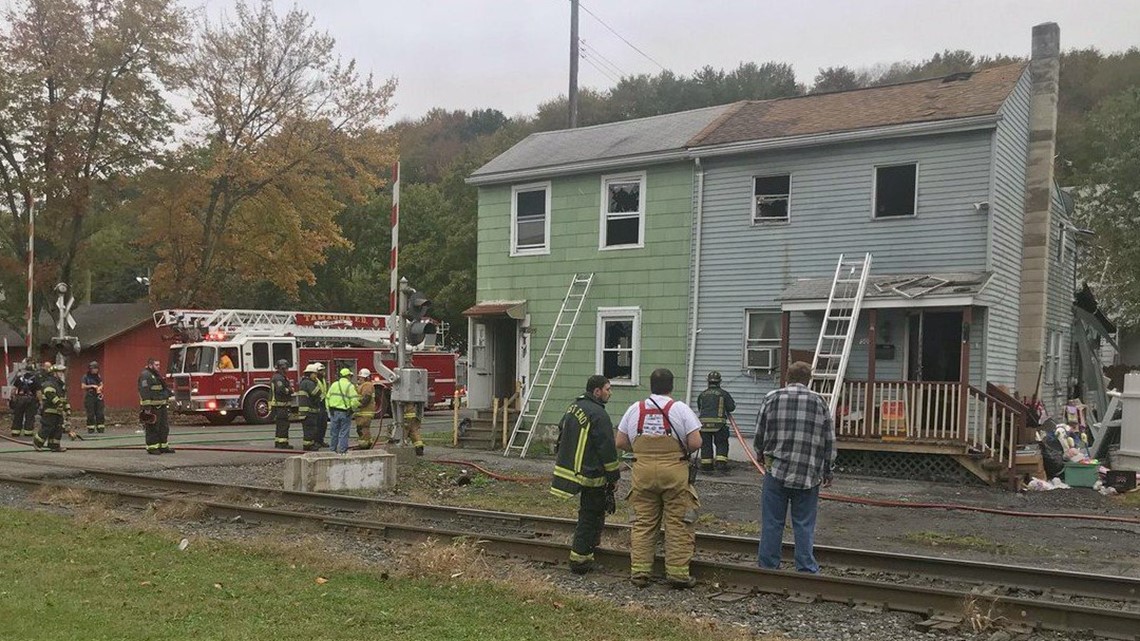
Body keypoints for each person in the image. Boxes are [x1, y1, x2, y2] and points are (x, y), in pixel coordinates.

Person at [615, 368, 703, 589]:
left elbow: (620, 441)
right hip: (674, 473)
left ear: (651, 386)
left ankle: (640, 573)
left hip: (643, 473)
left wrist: (642, 452)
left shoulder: (635, 409)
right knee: (678, 522)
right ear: (671, 386)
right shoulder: (680, 409)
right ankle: (678, 574)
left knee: (643, 523)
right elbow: (695, 442)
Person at [753, 361, 836, 574]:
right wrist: (828, 469)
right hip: (808, 473)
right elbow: (829, 439)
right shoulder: (819, 402)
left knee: (772, 522)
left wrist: (760, 455)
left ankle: (768, 567)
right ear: (808, 380)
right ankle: (806, 568)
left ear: (787, 377)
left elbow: (759, 432)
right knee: (804, 524)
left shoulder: (771, 398)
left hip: (776, 470)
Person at [550, 375, 620, 575]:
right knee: (591, 515)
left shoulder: (574, 407)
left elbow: (562, 430)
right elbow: (607, 448)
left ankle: (588, 550)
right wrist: (613, 476)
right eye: (607, 389)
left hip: (574, 470)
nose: (610, 393)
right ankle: (580, 560)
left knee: (588, 513)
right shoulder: (599, 414)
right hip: (592, 475)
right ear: (597, 391)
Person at [697, 371, 736, 475]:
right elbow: (731, 407)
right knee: (721, 444)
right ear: (720, 381)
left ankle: (706, 466)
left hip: (703, 425)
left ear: (708, 381)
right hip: (719, 425)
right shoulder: (724, 394)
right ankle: (720, 465)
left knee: (706, 445)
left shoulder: (702, 395)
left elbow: (700, 408)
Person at [138, 357, 174, 455]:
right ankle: (152, 447)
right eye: (156, 365)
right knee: (153, 427)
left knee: (164, 427)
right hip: (152, 407)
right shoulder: (146, 375)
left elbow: (161, 389)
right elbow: (144, 392)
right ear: (150, 365)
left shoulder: (156, 375)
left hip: (161, 406)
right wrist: (147, 408)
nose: (158, 367)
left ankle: (163, 446)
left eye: (159, 365)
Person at [33, 364, 70, 452]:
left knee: (58, 428)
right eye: (59, 372)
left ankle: (54, 445)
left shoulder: (60, 385)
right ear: (54, 373)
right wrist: (58, 403)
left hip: (58, 412)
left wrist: (67, 409)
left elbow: (64, 399)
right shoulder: (49, 383)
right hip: (49, 410)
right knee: (47, 428)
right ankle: (37, 443)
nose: (61, 374)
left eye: (62, 372)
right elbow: (49, 393)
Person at [325, 367, 359, 454]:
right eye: (350, 376)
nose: (351, 377)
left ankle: (332, 450)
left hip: (333, 412)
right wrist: (352, 409)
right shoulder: (350, 386)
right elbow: (355, 400)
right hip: (345, 412)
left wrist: (329, 409)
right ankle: (342, 451)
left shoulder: (334, 385)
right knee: (344, 432)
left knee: (334, 432)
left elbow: (327, 398)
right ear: (347, 376)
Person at [9, 359, 40, 437]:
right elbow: (38, 392)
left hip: (19, 399)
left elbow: (14, 389)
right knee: (29, 416)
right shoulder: (35, 379)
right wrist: (41, 401)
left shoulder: (20, 378)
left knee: (18, 415)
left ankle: (15, 432)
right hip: (30, 400)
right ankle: (28, 432)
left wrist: (12, 398)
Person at [269, 359, 294, 449]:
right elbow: (281, 390)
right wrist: (290, 390)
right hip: (281, 406)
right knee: (284, 425)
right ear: (282, 368)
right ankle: (283, 443)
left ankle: (278, 442)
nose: (287, 370)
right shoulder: (279, 378)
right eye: (286, 368)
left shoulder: (279, 377)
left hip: (280, 406)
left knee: (280, 425)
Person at [297, 363, 323, 451]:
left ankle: (310, 444)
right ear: (310, 374)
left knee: (310, 429)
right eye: (314, 374)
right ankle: (308, 445)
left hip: (307, 412)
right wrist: (316, 384)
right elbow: (316, 393)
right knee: (310, 429)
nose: (316, 376)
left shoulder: (304, 382)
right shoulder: (309, 383)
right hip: (309, 412)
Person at [353, 368, 376, 450]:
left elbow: (366, 398)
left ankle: (364, 445)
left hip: (365, 412)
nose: (359, 379)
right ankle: (368, 443)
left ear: (366, 378)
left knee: (362, 428)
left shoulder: (367, 385)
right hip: (363, 412)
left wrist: (357, 405)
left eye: (361, 377)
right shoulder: (363, 385)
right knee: (364, 428)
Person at [82, 361, 106, 434]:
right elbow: (83, 386)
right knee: (90, 413)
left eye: (96, 368)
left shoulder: (98, 376)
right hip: (90, 396)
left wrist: (100, 388)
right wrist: (92, 386)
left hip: (98, 396)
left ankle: (100, 427)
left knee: (100, 412)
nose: (95, 370)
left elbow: (101, 384)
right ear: (90, 369)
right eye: (93, 369)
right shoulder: (86, 376)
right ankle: (91, 428)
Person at [314, 363, 331, 449]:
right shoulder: (315, 380)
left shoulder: (323, 380)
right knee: (317, 424)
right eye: (320, 370)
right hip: (317, 404)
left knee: (323, 424)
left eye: (323, 370)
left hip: (323, 404)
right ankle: (316, 441)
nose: (322, 372)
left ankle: (321, 440)